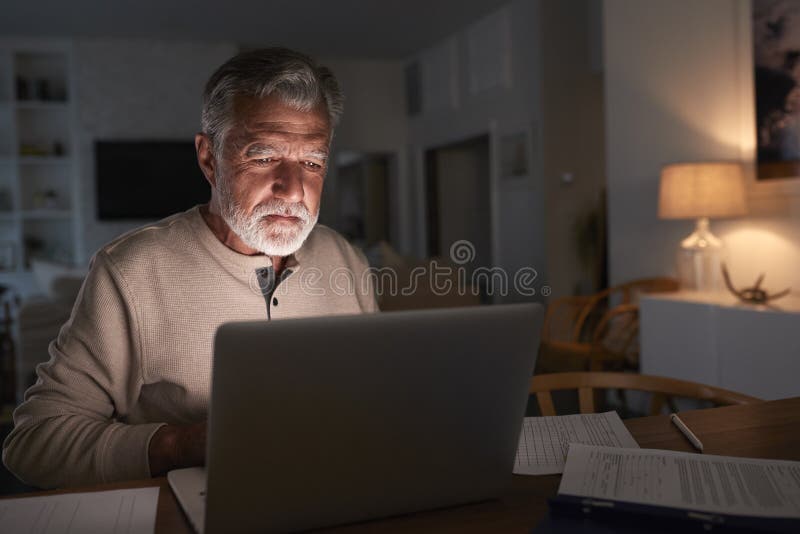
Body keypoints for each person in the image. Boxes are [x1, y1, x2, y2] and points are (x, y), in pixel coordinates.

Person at [2, 48, 378, 489]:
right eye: (263, 157)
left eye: (312, 162)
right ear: (209, 158)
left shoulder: (347, 260)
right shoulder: (130, 272)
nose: (294, 190)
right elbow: (34, 442)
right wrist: (179, 445)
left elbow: (376, 398)